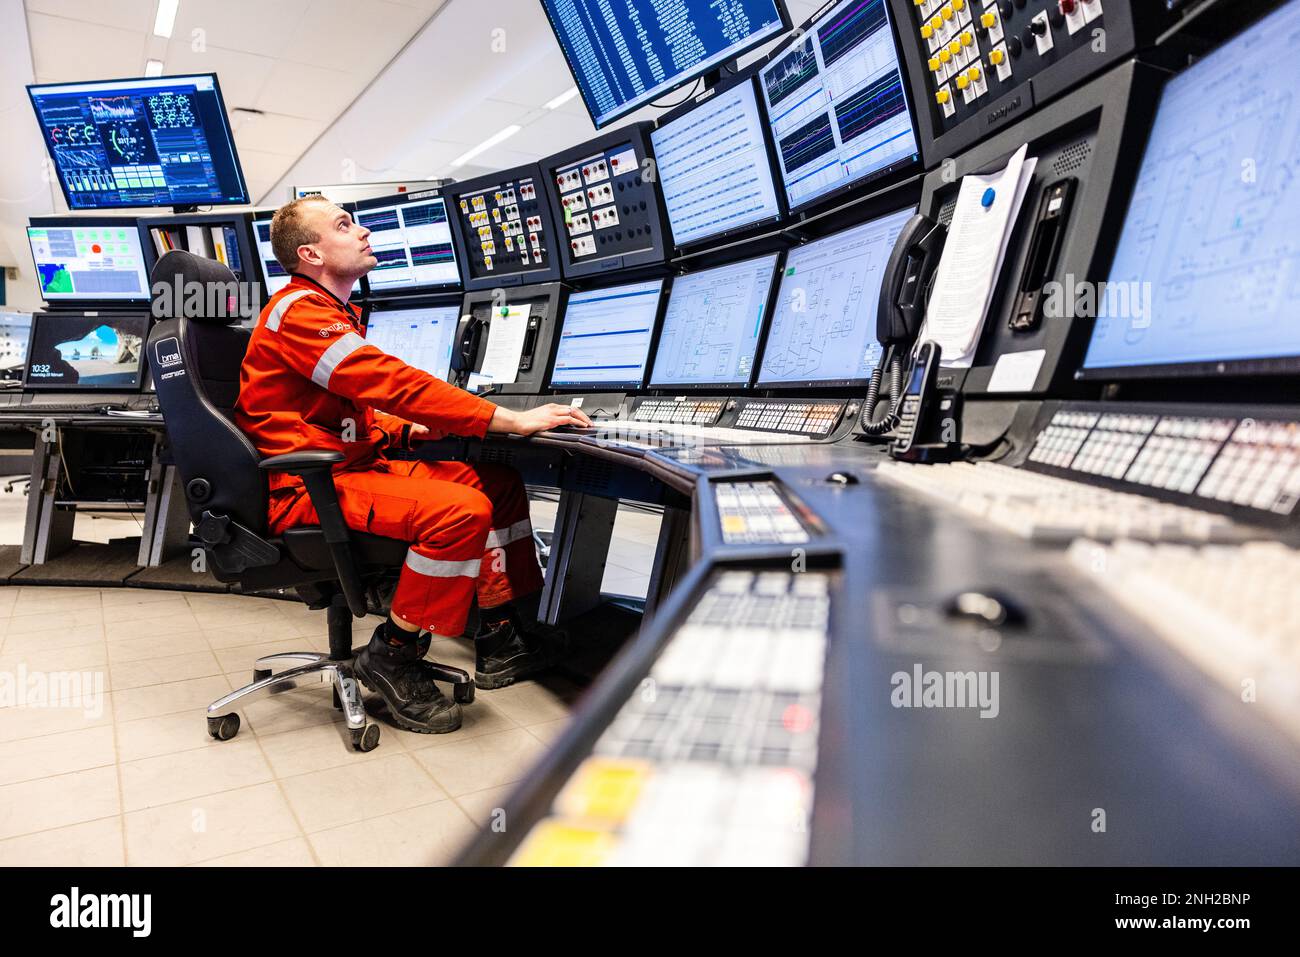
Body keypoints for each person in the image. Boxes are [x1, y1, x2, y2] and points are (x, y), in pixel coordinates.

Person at [235, 195, 592, 734]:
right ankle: (393, 653)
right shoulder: (299, 313)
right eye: (343, 225)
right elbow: (390, 383)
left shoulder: (329, 311)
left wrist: (406, 428)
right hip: (309, 488)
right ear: (310, 253)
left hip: (348, 469)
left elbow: (345, 414)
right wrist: (506, 419)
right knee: (460, 511)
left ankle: (499, 634)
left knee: (493, 483)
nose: (362, 232)